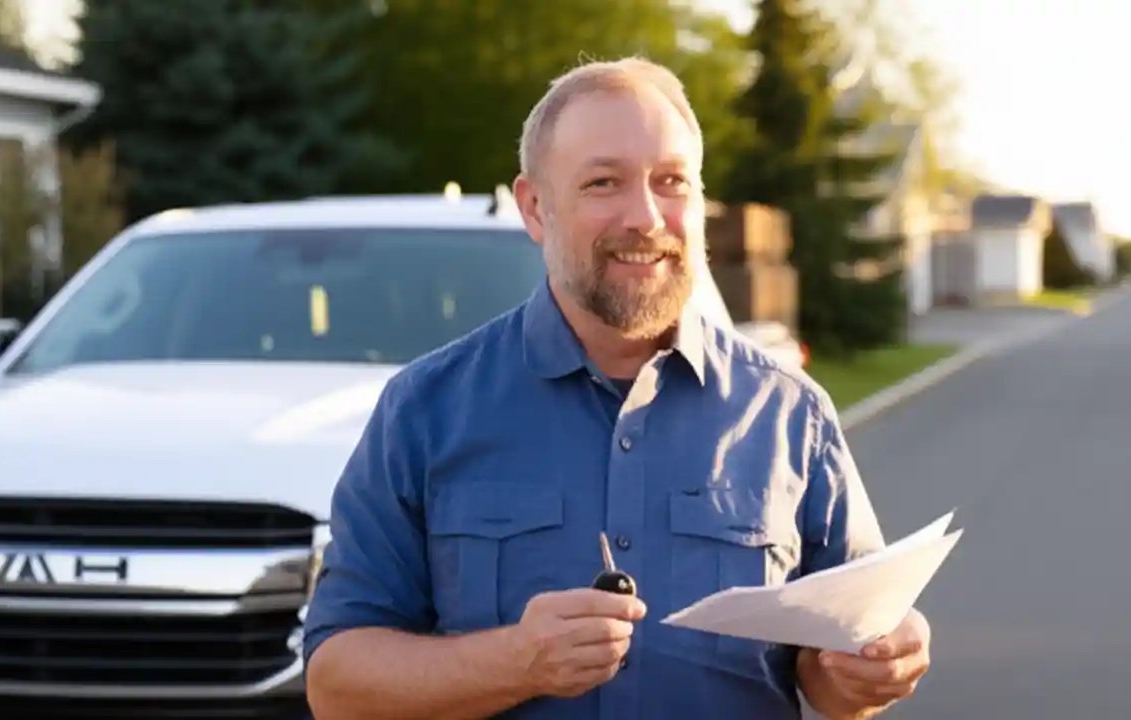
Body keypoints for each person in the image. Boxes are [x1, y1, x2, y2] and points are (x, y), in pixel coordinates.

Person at [303, 57, 931, 720]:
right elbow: (338, 687)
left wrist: (877, 666)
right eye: (604, 182)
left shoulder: (789, 412)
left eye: (671, 182)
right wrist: (516, 661)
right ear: (535, 207)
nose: (646, 217)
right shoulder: (425, 410)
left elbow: (839, 676)